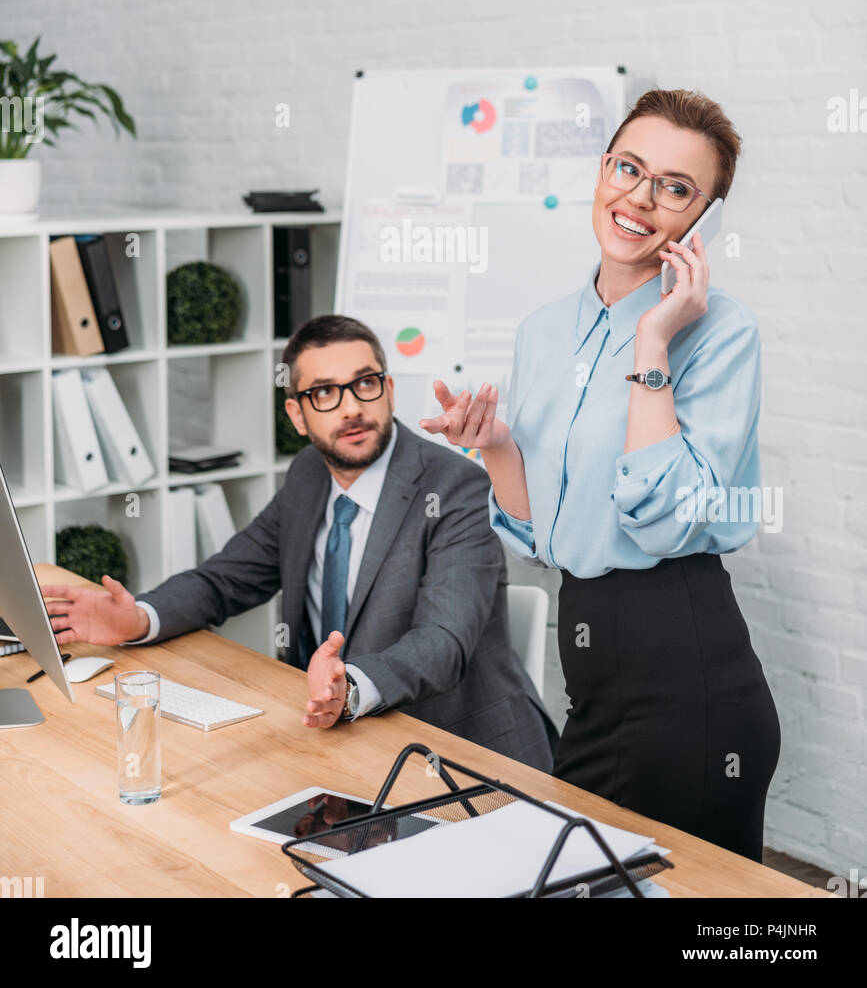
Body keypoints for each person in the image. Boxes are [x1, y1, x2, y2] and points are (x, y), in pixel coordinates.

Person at [420, 88, 781, 861]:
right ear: (601, 170)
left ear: (703, 217)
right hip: (590, 669)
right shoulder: (543, 330)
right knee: (580, 878)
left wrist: (653, 344)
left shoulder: (720, 333)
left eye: (675, 188)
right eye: (628, 168)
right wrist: (494, 447)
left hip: (687, 671)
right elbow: (542, 538)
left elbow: (666, 518)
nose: (640, 199)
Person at [42, 314, 556, 771]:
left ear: (390, 389)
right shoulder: (310, 473)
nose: (351, 408)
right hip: (341, 745)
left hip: (460, 759)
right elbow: (228, 578)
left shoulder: (456, 488)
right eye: (325, 393)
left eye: (365, 385)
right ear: (297, 414)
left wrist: (350, 687)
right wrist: (141, 618)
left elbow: (443, 642)